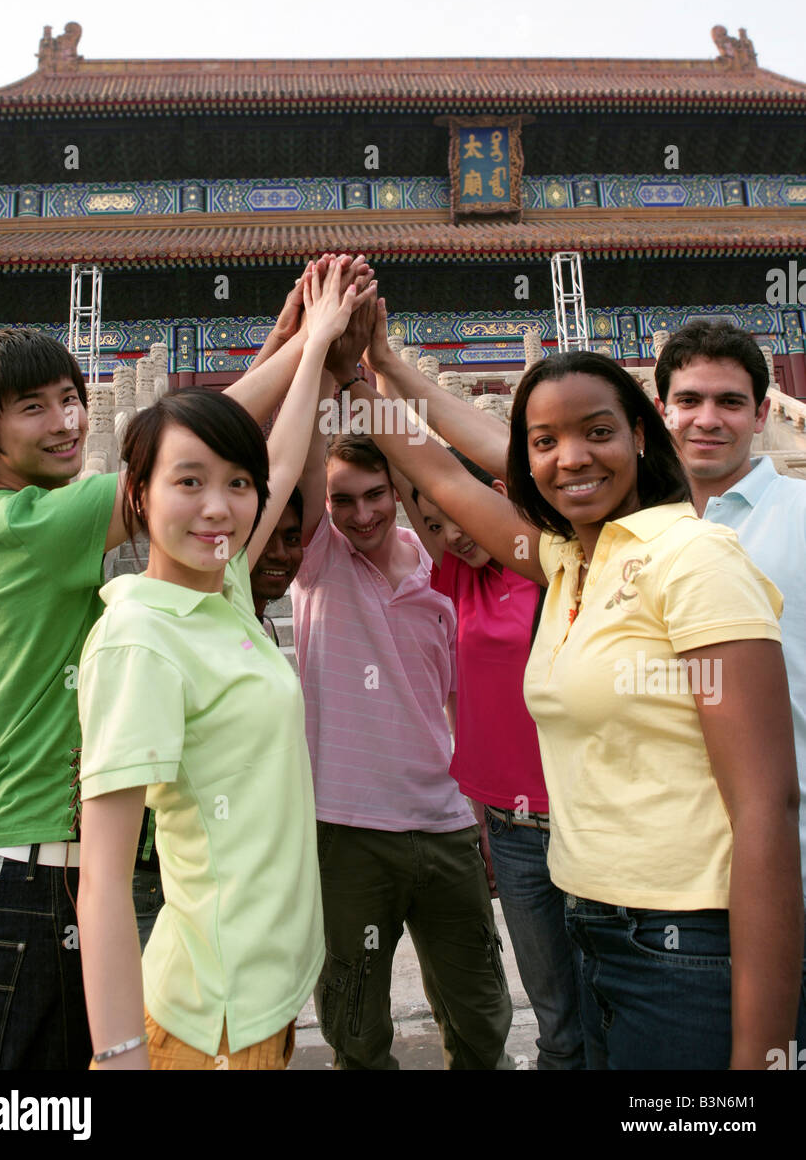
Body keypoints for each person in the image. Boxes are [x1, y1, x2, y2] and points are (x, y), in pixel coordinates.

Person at [337, 297, 802, 1070]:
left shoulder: (695, 558)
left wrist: (764, 1056)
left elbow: (766, 806)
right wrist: (358, 367)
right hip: (596, 926)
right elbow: (445, 481)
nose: (572, 458)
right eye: (544, 443)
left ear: (639, 436)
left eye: (597, 433)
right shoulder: (573, 563)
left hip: (688, 944)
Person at [0, 255, 366, 1070]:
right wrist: (307, 343)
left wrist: (289, 345)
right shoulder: (34, 526)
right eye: (34, 408)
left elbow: (238, 479)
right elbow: (196, 454)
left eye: (71, 398)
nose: (66, 422)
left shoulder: (17, 543)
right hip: (40, 885)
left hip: (12, 865)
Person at [76, 260, 370, 1070]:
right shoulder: (141, 635)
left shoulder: (225, 587)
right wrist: (121, 1054)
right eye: (189, 482)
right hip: (204, 1025)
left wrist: (314, 347)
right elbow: (102, 877)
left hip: (263, 1002)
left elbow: (278, 456)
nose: (220, 506)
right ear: (139, 493)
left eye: (236, 485)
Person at [291, 326, 514, 1070]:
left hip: (445, 821)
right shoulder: (320, 560)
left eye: (376, 495)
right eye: (343, 501)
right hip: (347, 828)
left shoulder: (442, 576)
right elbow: (291, 466)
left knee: (481, 1013)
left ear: (398, 492)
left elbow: (458, 705)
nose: (361, 516)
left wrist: (478, 810)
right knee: (356, 1024)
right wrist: (325, 358)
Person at [386, 449, 584, 1069]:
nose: (450, 535)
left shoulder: (551, 565)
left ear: (496, 495)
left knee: (610, 1000)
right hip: (511, 827)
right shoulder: (457, 576)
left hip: (586, 818)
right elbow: (411, 480)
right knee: (555, 1017)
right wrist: (363, 388)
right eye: (434, 526)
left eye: (459, 518)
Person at [655, 319, 806, 1042]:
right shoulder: (641, 531)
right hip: (674, 885)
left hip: (792, 864)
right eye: (688, 400)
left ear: (763, 413)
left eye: (730, 402)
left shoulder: (800, 519)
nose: (707, 419)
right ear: (662, 411)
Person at [248, 487, 304, 643]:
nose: (280, 554)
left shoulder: (265, 630)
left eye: (292, 539)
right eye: (263, 538)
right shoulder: (206, 634)